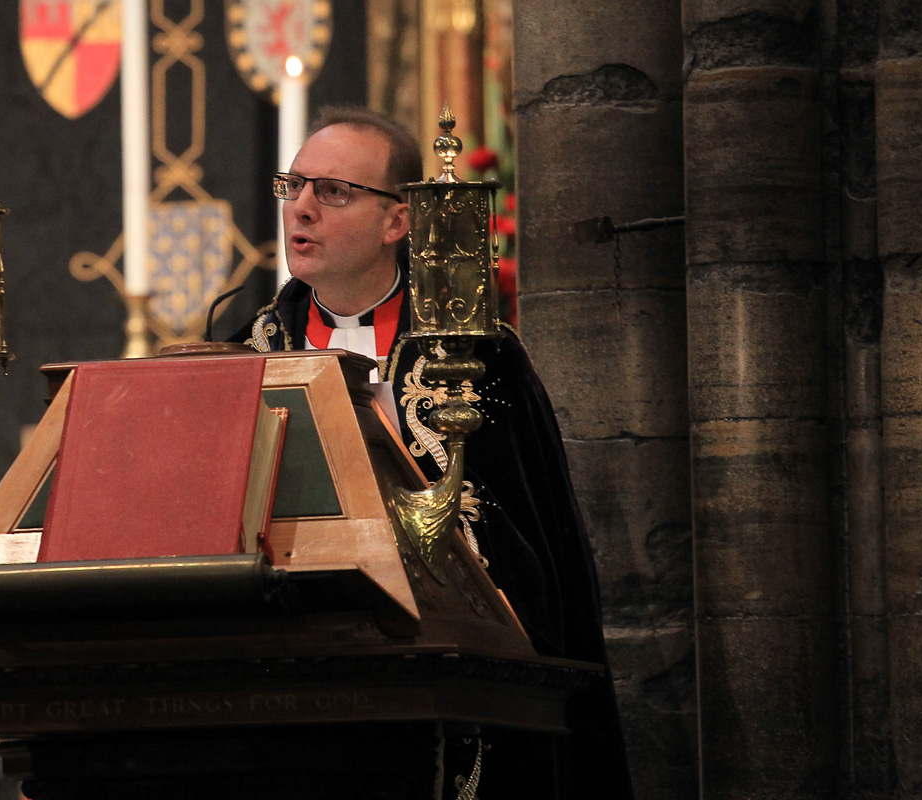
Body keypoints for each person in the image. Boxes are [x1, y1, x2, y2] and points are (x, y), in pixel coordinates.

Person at [230, 106, 633, 798]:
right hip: (296, 684)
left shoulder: (479, 354)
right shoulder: (248, 353)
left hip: (447, 686)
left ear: (398, 220)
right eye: (292, 186)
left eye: (333, 191)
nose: (301, 207)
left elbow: (536, 541)